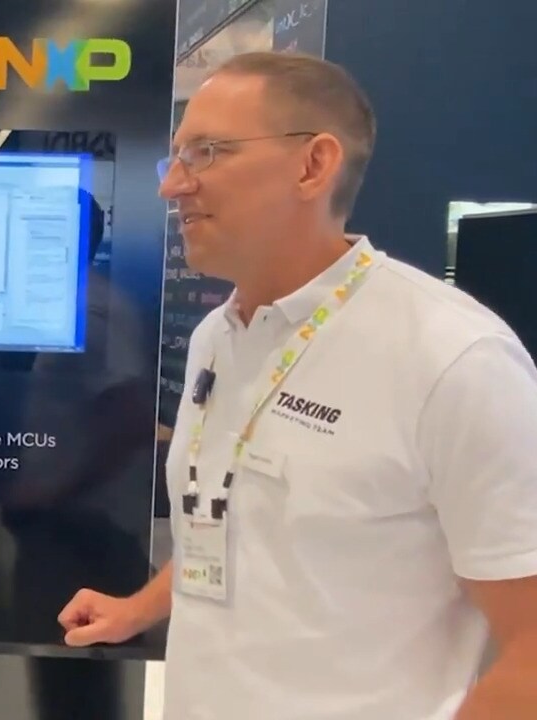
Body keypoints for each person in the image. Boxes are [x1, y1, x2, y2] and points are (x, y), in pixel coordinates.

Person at [58, 52, 537, 719]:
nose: (173, 186)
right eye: (178, 156)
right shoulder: (219, 336)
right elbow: (228, 518)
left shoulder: (454, 359)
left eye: (207, 152)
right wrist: (138, 608)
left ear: (313, 165)